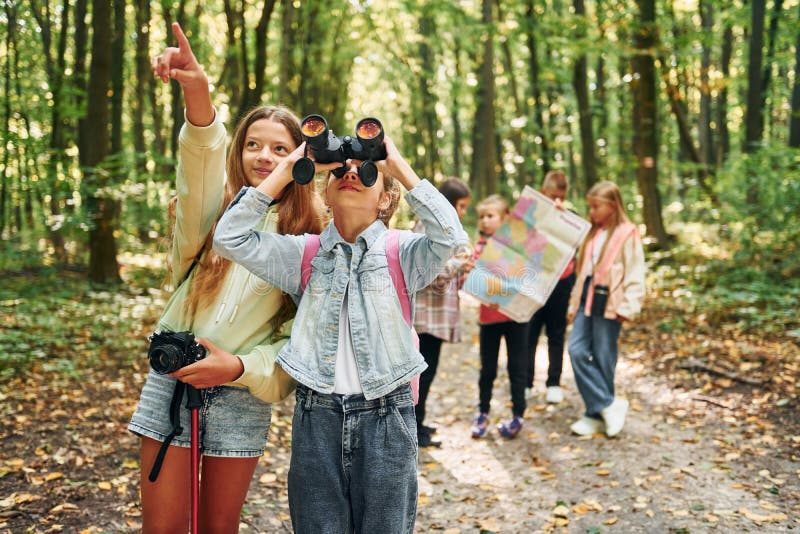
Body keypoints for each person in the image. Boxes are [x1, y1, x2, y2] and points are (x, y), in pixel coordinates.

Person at [212, 128, 469, 533]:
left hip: (387, 416)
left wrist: (396, 163)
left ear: (385, 198)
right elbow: (229, 238)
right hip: (318, 419)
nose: (351, 175)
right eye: (339, 173)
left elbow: (451, 238)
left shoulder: (402, 252)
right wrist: (292, 166)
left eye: (366, 173)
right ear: (325, 195)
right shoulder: (305, 253)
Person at [128, 23, 324, 533]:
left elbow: (298, 344)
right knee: (163, 528)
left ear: (301, 161)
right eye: (253, 145)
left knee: (218, 529)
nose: (264, 156)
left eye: (281, 149)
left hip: (241, 389)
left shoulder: (313, 241)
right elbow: (198, 164)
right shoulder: (212, 215)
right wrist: (198, 92)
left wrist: (237, 366)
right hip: (173, 375)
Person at [567, 180, 646, 438]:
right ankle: (608, 405)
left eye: (596, 207)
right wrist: (573, 302)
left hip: (611, 299)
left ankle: (594, 415)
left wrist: (630, 304)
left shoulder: (627, 232)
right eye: (589, 207)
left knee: (604, 355)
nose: (591, 212)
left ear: (612, 205)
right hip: (587, 296)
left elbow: (635, 271)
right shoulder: (591, 232)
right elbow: (581, 270)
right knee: (577, 350)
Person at [412, 177, 472, 448]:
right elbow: (428, 272)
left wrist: (464, 270)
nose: (463, 212)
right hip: (425, 317)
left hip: (436, 317)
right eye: (461, 206)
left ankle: (419, 422)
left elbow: (450, 279)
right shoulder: (428, 227)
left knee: (429, 372)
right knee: (422, 373)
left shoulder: (450, 229)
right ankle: (413, 428)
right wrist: (458, 265)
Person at [469, 194, 530, 440]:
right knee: (488, 369)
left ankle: (518, 414)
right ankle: (483, 412)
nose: (484, 221)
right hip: (489, 318)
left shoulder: (517, 246)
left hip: (516, 316)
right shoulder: (479, 248)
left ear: (505, 219)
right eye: (482, 216)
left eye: (490, 216)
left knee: (517, 366)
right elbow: (473, 279)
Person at [526, 170, 576, 404]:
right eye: (552, 196)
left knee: (556, 333)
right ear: (543, 191)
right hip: (534, 281)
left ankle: (553, 382)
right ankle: (526, 381)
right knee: (530, 332)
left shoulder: (571, 216)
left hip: (562, 282)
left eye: (561, 197)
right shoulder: (530, 214)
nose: (556, 201)